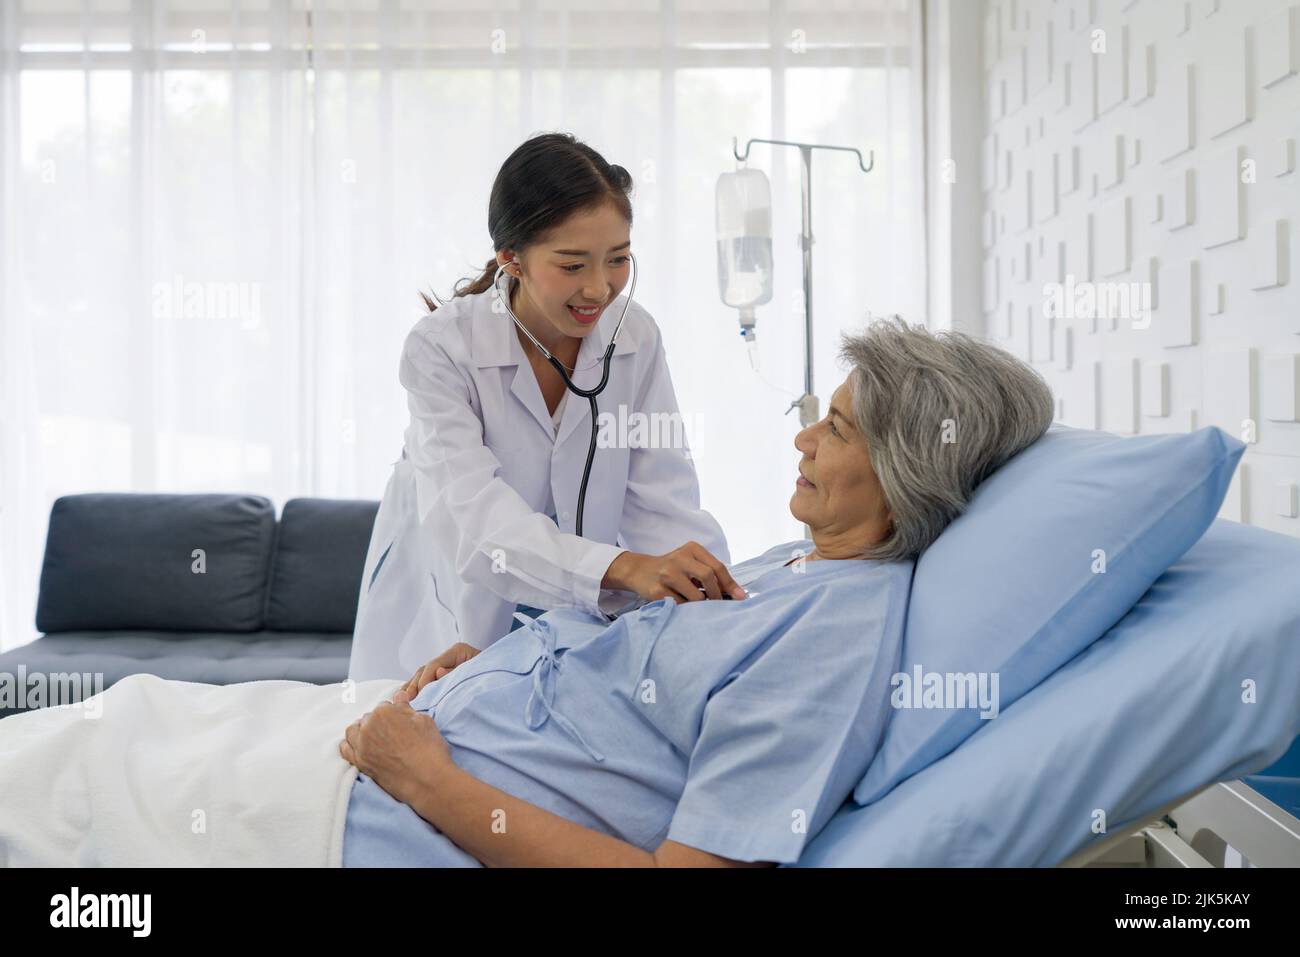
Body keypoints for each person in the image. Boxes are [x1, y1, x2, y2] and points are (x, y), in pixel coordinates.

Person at [339, 317, 1056, 866]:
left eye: (835, 429)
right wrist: (498, 663)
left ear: (905, 479)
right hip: (389, 762)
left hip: (384, 820)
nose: (803, 439)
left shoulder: (835, 632)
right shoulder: (799, 564)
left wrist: (427, 778)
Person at [349, 132, 741, 683]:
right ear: (511, 259)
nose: (600, 289)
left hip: (580, 600)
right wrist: (624, 568)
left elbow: (664, 497)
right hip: (459, 595)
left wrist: (717, 600)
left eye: (619, 259)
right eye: (572, 264)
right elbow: (477, 524)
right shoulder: (441, 348)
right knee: (435, 729)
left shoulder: (634, 337)